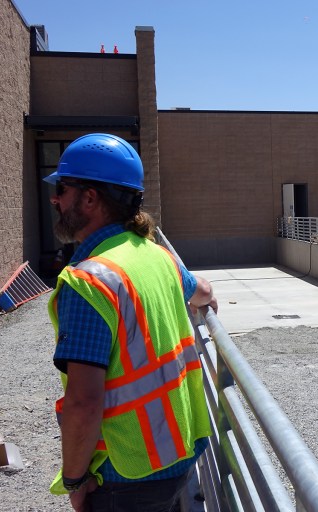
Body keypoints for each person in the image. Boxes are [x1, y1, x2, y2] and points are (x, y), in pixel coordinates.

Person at [44, 133, 217, 511]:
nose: (55, 199)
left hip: (126, 478)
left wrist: (74, 479)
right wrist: (210, 298)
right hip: (179, 456)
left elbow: (83, 403)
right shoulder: (157, 255)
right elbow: (199, 289)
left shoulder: (88, 281)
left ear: (90, 198)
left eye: (62, 188)